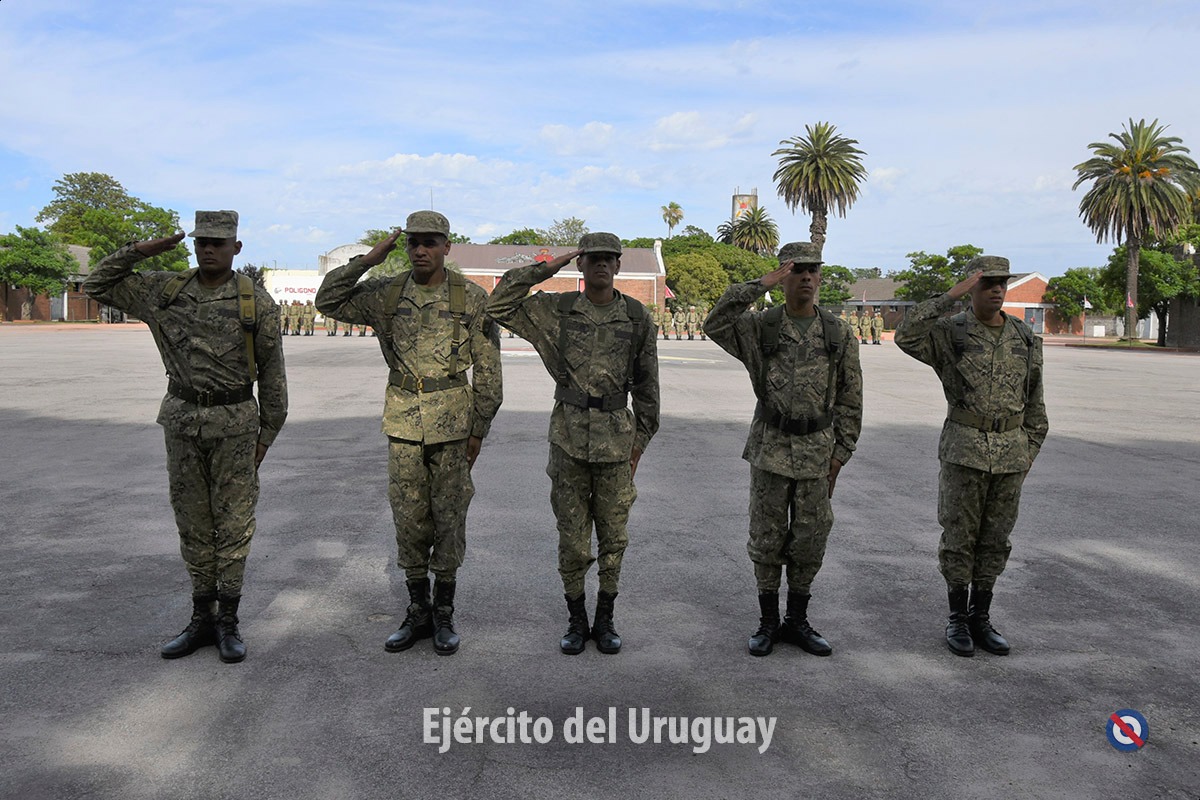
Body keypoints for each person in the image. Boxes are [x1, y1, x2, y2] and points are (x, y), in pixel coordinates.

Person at [82, 210, 288, 663]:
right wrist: (140, 251)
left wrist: (266, 436)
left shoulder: (257, 302)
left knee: (233, 524)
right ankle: (201, 617)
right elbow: (95, 286)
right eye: (201, 242)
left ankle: (228, 620)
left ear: (236, 247)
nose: (208, 249)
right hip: (182, 422)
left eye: (218, 242)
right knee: (192, 521)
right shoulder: (164, 290)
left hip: (236, 425)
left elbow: (273, 376)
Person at [316, 211, 501, 656]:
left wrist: (478, 429)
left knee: (450, 516)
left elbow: (490, 372)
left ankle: (444, 613)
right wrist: (368, 259)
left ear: (446, 246)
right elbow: (328, 301)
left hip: (453, 425)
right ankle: (417, 609)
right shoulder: (386, 293)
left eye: (430, 242)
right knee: (409, 516)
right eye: (413, 242)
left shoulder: (472, 299)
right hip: (402, 421)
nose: (420, 250)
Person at [487, 232, 659, 655]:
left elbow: (649, 388)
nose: (601, 264)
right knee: (572, 536)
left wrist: (638, 444)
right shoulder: (557, 311)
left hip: (617, 443)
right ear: (581, 265)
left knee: (614, 536)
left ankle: (606, 619)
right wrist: (547, 267)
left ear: (618, 266)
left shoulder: (637, 317)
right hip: (567, 440)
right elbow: (498, 304)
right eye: (592, 258)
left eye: (609, 259)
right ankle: (576, 619)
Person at [704, 241, 862, 657]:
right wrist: (759, 285)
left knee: (810, 539)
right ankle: (768, 622)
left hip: (817, 452)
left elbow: (851, 398)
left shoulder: (838, 332)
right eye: (797, 270)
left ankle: (798, 620)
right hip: (770, 448)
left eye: (813, 270)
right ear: (784, 275)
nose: (807, 277)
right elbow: (715, 323)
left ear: (820, 277)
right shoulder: (761, 327)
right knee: (767, 538)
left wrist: (840, 454)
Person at [894, 256, 1048, 657]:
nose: (997, 290)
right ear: (974, 288)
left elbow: (1036, 406)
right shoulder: (952, 333)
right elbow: (907, 335)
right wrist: (950, 295)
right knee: (959, 538)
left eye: (1002, 283)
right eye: (987, 284)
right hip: (964, 451)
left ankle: (982, 617)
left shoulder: (1025, 338)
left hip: (1010, 456)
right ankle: (957, 618)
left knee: (995, 540)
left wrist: (1026, 452)